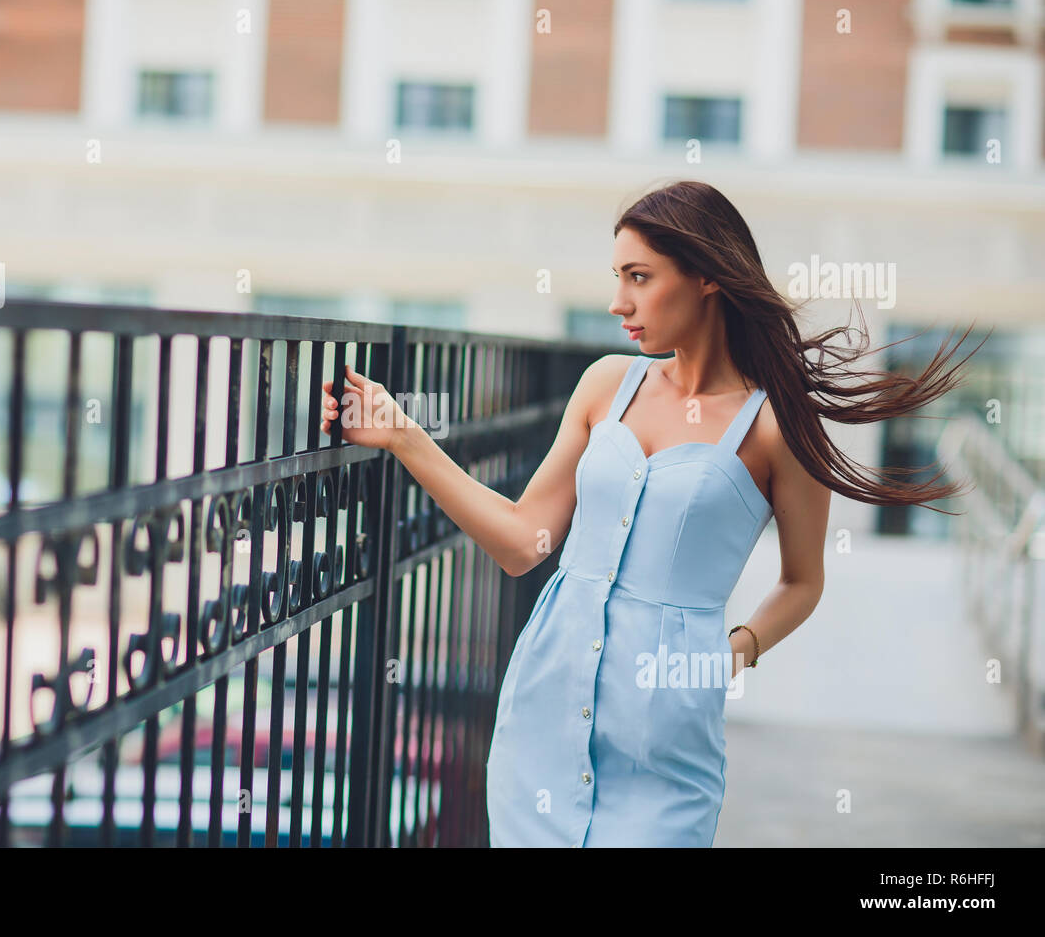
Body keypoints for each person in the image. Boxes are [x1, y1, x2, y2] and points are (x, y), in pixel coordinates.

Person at [318, 179, 985, 847]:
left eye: (639, 277)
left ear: (707, 279)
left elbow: (803, 581)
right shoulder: (607, 384)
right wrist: (404, 435)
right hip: (543, 713)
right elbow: (523, 542)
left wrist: (733, 653)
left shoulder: (777, 426)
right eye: (617, 277)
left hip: (665, 737)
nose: (618, 302)